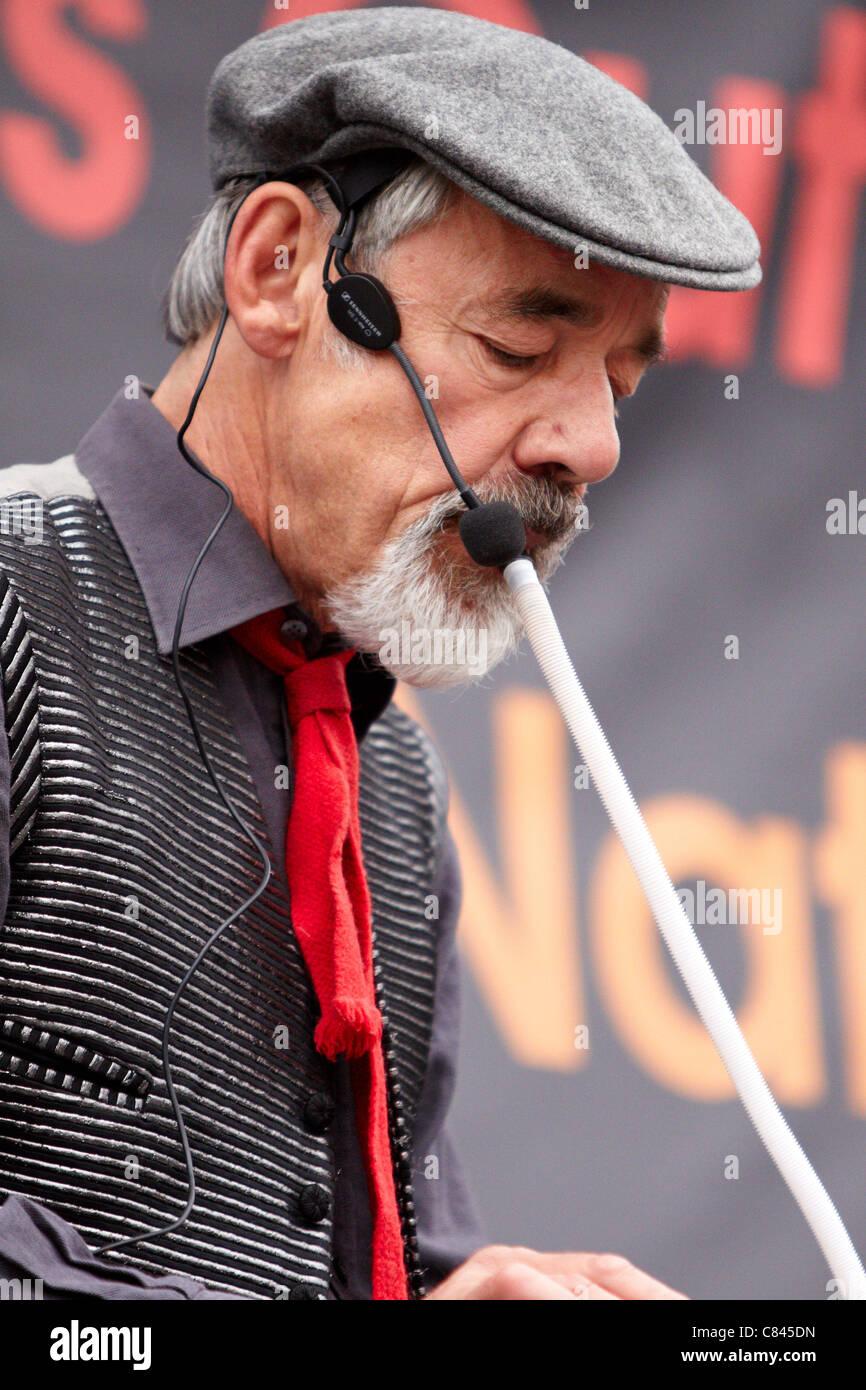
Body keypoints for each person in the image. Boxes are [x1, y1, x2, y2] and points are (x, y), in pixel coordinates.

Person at [0, 7, 759, 1300]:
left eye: (619, 391)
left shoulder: (391, 785)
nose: (590, 448)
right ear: (281, 267)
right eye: (520, 347)